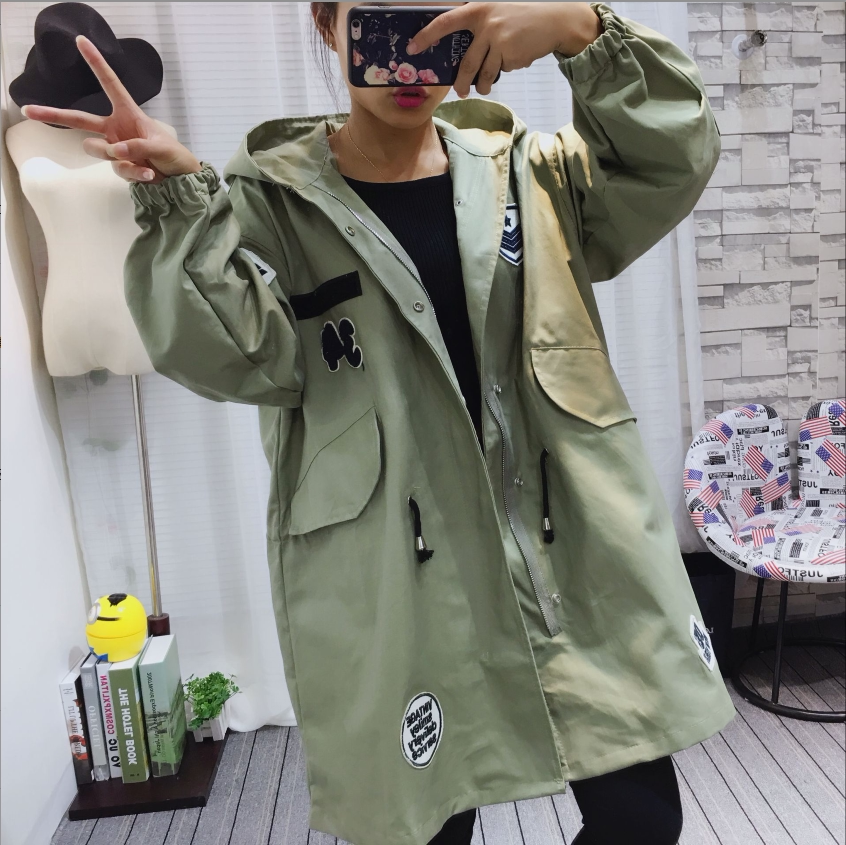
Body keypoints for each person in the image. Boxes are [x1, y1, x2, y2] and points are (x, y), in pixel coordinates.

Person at [20, 4, 732, 844]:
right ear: (329, 25)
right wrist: (178, 201)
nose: (414, 52)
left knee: (642, 820)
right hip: (401, 563)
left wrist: (583, 28)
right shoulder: (272, 204)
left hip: (563, 547)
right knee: (425, 826)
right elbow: (239, 358)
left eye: (435, 20)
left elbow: (669, 158)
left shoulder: (531, 174)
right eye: (383, 21)